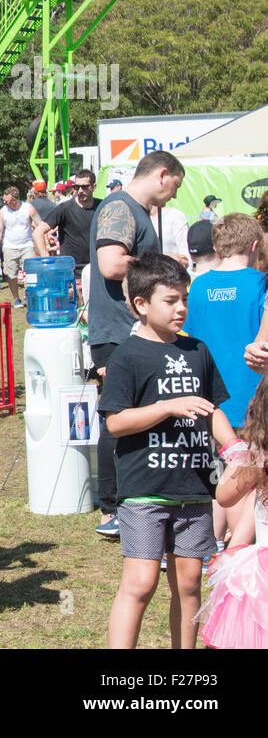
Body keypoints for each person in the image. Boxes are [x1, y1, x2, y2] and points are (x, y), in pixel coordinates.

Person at [100, 253, 235, 648]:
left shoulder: (197, 351)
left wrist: (237, 448)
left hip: (193, 488)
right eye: (171, 300)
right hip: (144, 490)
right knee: (140, 584)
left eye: (185, 299)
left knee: (190, 583)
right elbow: (115, 422)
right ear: (141, 304)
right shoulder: (127, 356)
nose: (181, 309)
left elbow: (213, 411)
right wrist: (165, 407)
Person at [88, 150, 186, 538]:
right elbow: (111, 263)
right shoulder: (119, 207)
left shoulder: (134, 210)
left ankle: (133, 502)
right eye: (175, 187)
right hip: (116, 332)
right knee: (118, 420)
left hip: (129, 330)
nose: (173, 197)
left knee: (138, 417)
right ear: (162, 175)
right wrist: (157, 262)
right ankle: (110, 510)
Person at [184, 213, 268, 546]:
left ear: (217, 247)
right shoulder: (261, 283)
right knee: (247, 473)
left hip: (209, 395)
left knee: (220, 471)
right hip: (251, 395)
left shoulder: (198, 285)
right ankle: (236, 544)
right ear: (254, 245)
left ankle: (212, 541)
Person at [197, 377, 268, 648]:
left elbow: (224, 495)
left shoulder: (258, 459)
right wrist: (238, 541)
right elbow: (259, 504)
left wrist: (238, 453)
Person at [34, 168, 101, 278]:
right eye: (76, 187)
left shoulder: (102, 206)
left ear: (93, 187)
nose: (80, 191)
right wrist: (47, 260)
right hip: (72, 272)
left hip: (97, 269)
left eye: (84, 187)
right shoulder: (64, 208)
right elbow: (38, 232)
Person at [0, 186, 42, 308]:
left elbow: (39, 224)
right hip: (10, 246)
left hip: (28, 245)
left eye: (6, 201)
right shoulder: (3, 212)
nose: (4, 203)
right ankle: (16, 299)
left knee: (31, 272)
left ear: (14, 200)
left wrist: (44, 239)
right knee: (11, 274)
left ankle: (29, 295)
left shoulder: (28, 208)